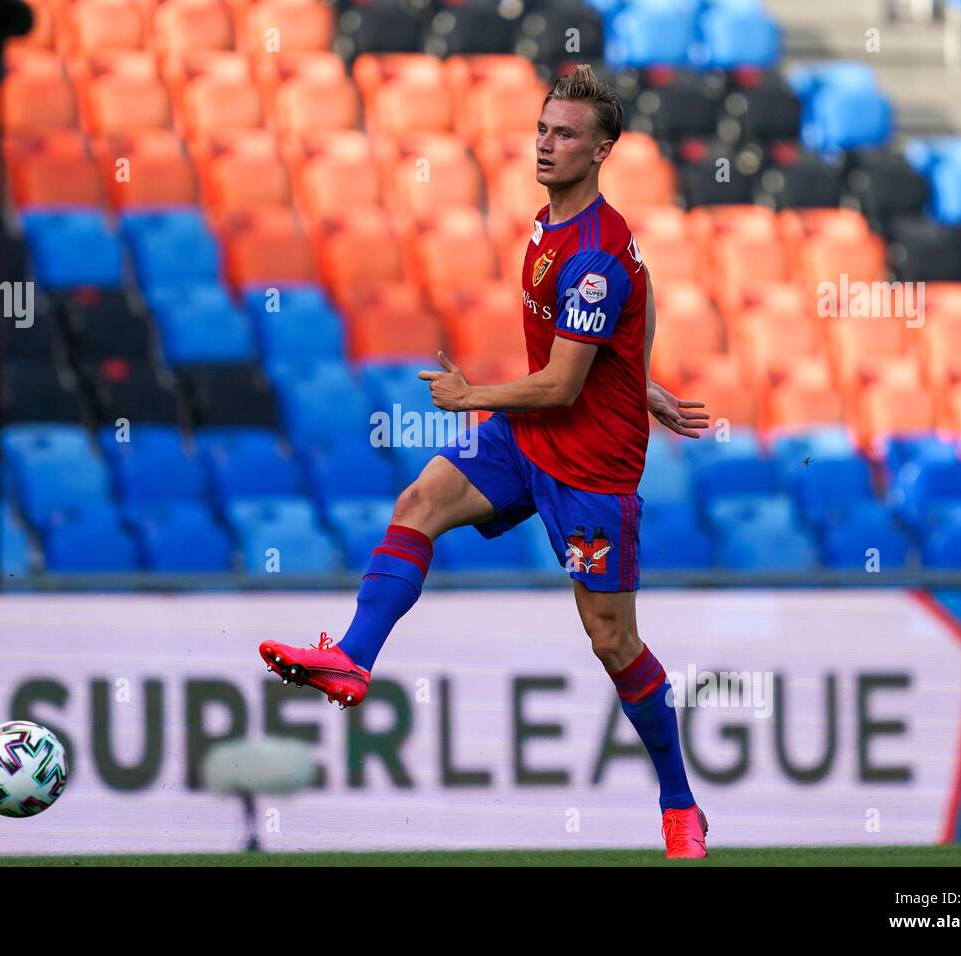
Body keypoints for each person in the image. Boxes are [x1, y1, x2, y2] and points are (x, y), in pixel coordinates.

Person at [258, 64, 712, 858]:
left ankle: (679, 805)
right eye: (542, 128)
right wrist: (642, 382)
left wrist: (471, 398)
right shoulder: (547, 225)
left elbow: (564, 381)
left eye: (565, 135)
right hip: (526, 436)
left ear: (602, 151)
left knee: (613, 644)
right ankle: (353, 660)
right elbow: (603, 345)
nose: (545, 144)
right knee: (418, 504)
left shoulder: (598, 254)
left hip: (589, 469)